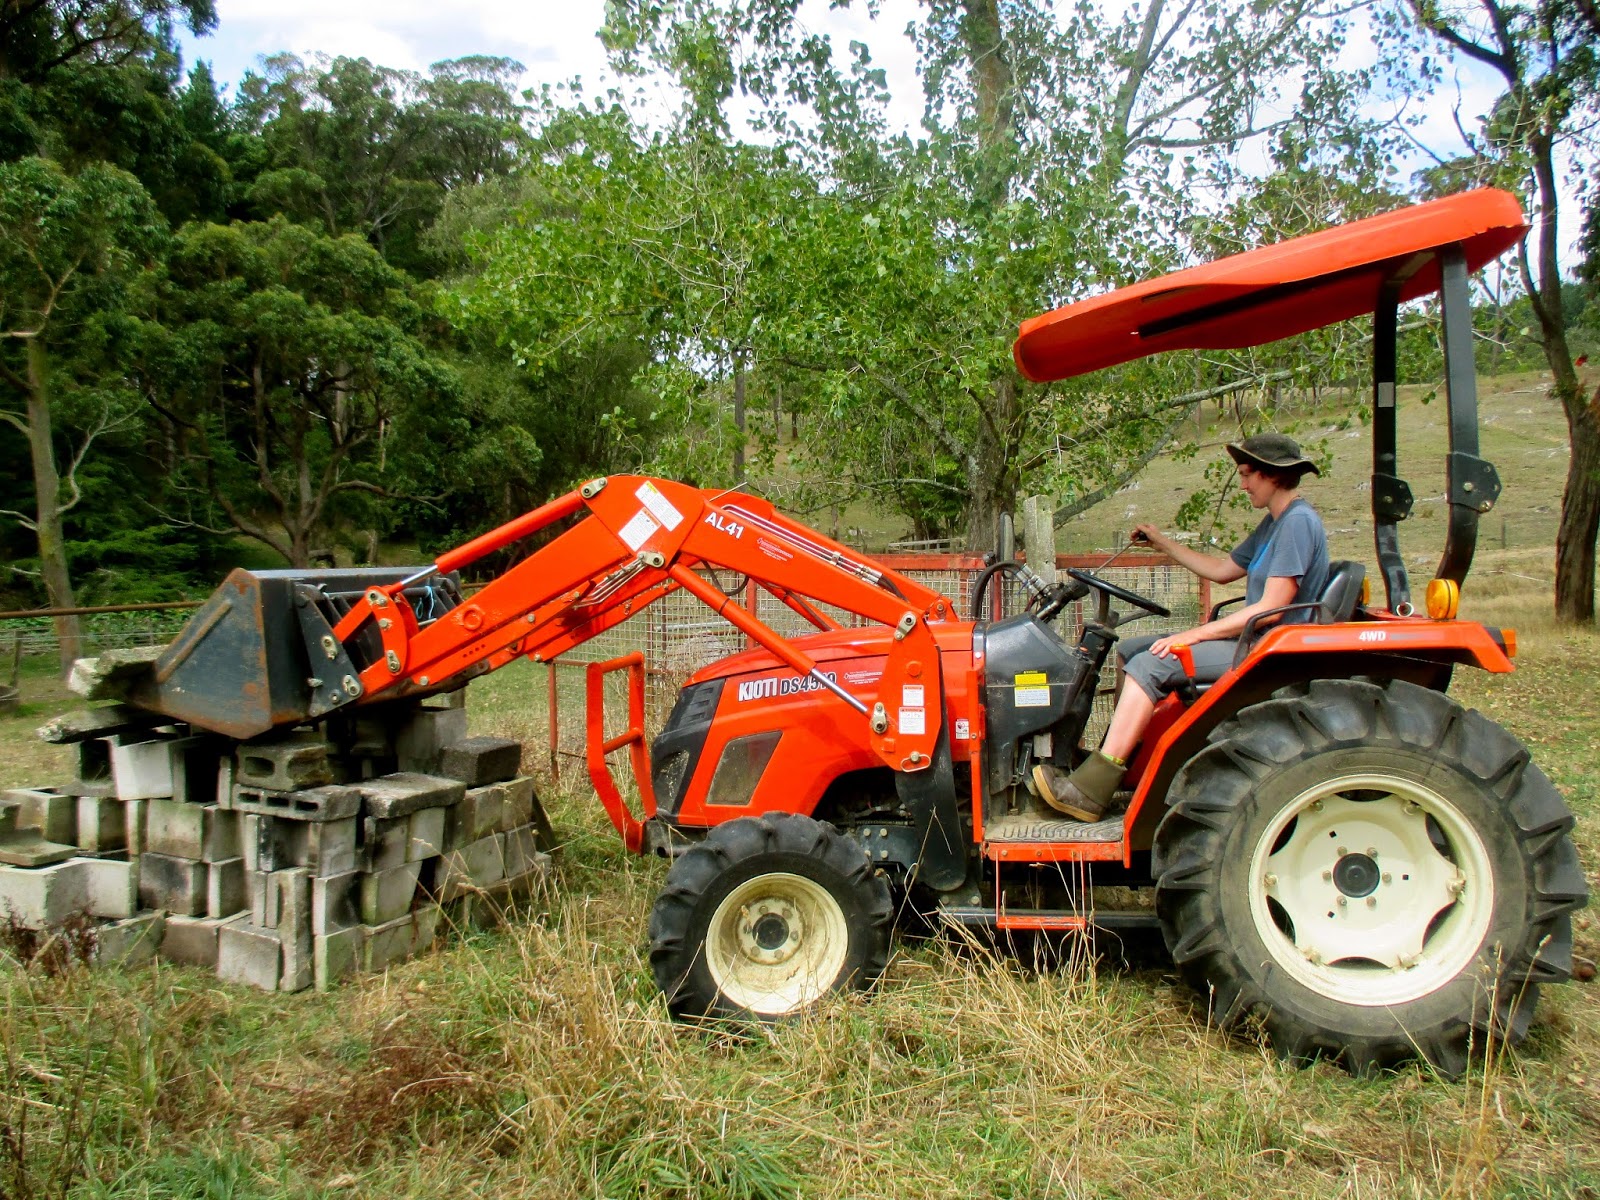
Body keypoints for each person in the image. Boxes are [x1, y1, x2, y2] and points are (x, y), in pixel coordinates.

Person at [1033, 432, 1330, 821]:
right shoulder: (1275, 523)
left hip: (1266, 648)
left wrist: (1195, 634)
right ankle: (1121, 761)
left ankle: (1089, 793)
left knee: (1151, 663)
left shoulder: (1297, 523)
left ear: (1271, 475)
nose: (1242, 485)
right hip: (1254, 638)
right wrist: (1163, 543)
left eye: (1246, 475)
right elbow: (1223, 571)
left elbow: (1273, 607)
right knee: (1130, 651)